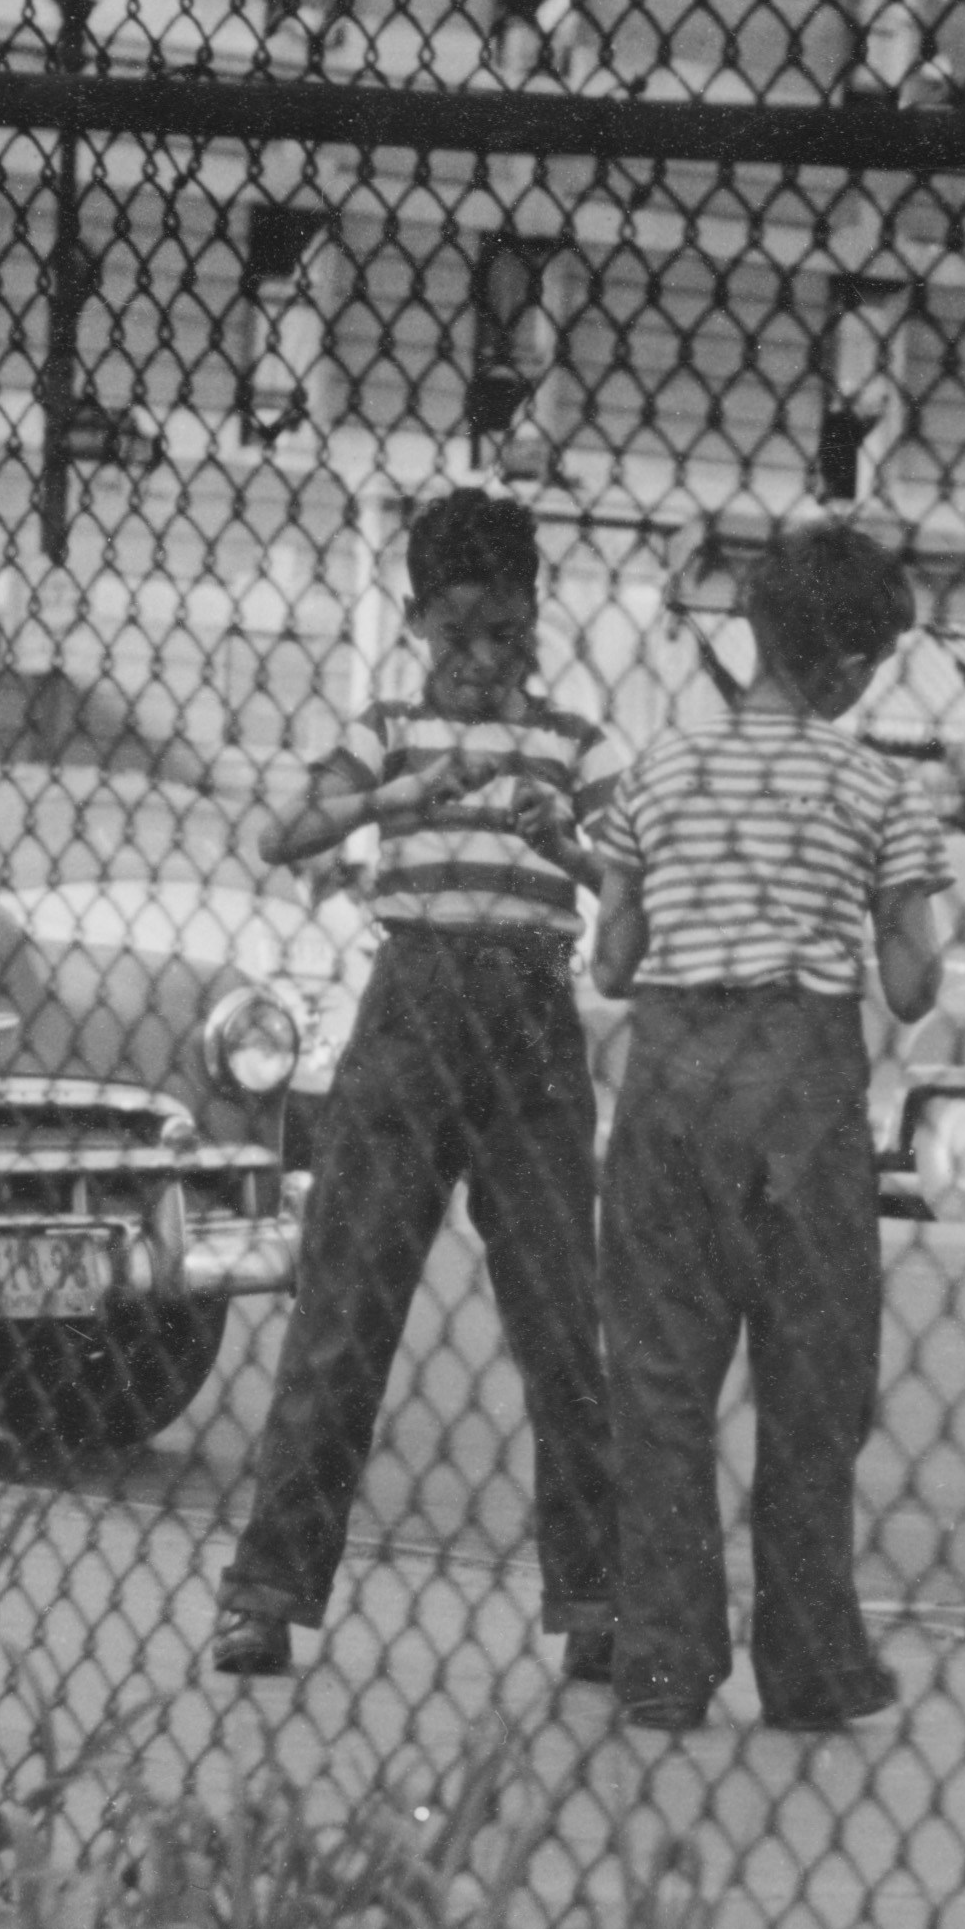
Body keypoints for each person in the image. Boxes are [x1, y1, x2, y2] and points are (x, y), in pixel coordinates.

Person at [211, 486, 620, 1688]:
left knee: (562, 1318)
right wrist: (394, 799)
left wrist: (569, 850)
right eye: (459, 634)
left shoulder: (577, 742)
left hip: (533, 1015)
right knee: (344, 1311)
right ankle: (267, 1594)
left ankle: (598, 1596)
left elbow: (627, 887)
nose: (484, 659)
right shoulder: (385, 726)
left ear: (540, 621)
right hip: (410, 1007)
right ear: (417, 621)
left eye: (508, 635)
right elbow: (286, 834)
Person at [587, 515, 945, 1738]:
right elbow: (910, 984)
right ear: (847, 668)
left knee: (660, 1378)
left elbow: (617, 958)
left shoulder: (657, 769)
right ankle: (808, 1661)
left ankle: (664, 1657)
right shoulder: (877, 787)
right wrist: (886, 910)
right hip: (803, 1090)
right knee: (813, 1384)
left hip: (675, 1077)